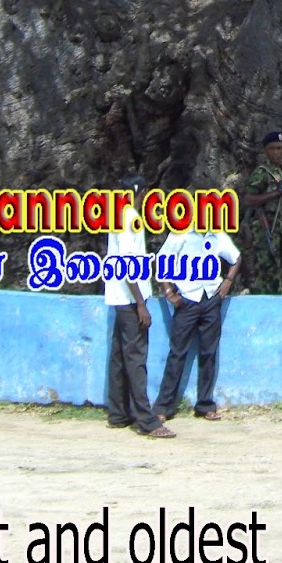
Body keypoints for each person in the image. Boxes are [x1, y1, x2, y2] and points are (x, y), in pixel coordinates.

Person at [104, 175, 174, 438]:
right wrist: (141, 303)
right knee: (136, 358)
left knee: (119, 356)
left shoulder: (119, 215)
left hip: (119, 298)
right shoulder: (129, 218)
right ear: (141, 192)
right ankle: (146, 420)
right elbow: (127, 264)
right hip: (131, 299)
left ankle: (119, 413)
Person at [154, 224, 241, 421]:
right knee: (177, 354)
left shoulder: (217, 233)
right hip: (187, 300)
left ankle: (204, 404)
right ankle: (163, 407)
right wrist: (169, 293)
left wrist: (227, 281)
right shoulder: (180, 233)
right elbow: (162, 260)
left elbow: (236, 257)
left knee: (208, 353)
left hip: (211, 299)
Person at [241, 130, 282, 294]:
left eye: (279, 148)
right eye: (272, 148)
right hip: (266, 230)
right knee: (268, 271)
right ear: (265, 151)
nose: (276, 152)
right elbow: (249, 199)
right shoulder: (262, 172)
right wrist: (276, 193)